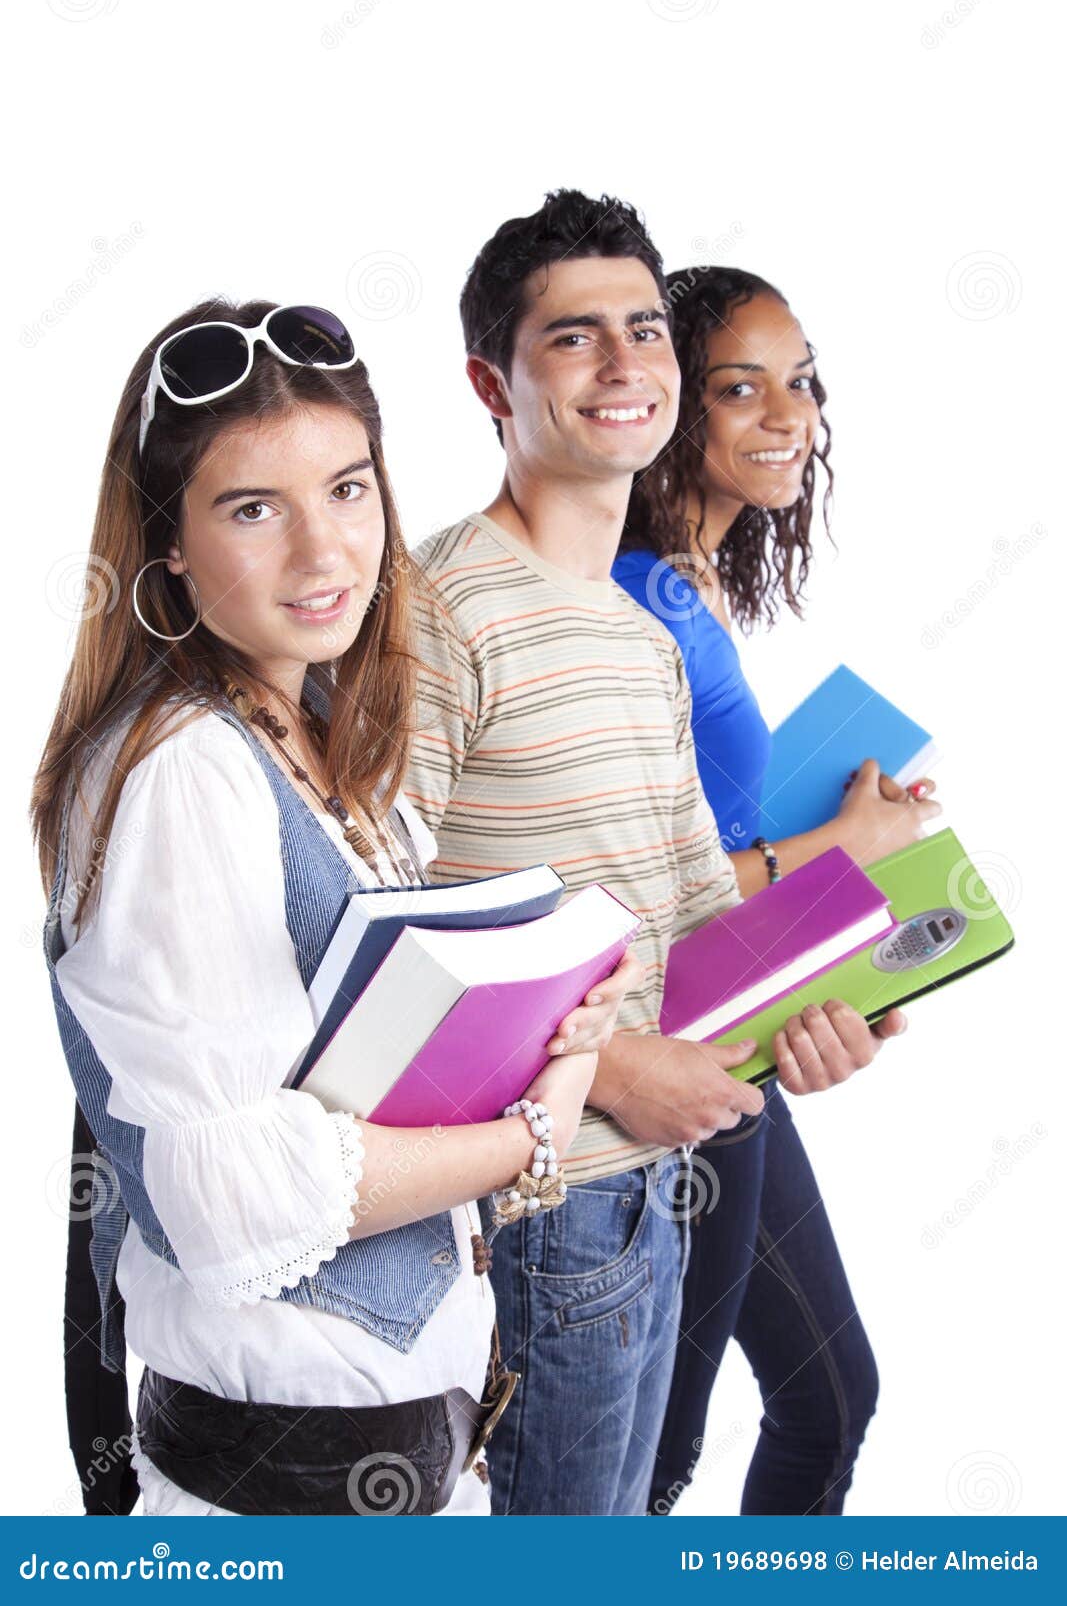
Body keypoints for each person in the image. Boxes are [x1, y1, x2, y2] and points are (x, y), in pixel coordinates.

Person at [31, 298, 637, 1517]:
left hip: (391, 1471)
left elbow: (334, 1069)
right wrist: (537, 1131)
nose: (324, 553)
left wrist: (543, 1018)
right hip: (285, 1494)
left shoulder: (305, 736)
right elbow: (227, 1197)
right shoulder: (185, 773)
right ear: (167, 550)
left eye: (348, 489)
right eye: (254, 509)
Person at [404, 193, 906, 1516]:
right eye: (574, 338)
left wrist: (822, 997)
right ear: (491, 383)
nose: (625, 363)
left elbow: (682, 920)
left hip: (654, 1173)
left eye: (642, 329)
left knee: (663, 1490)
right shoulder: (433, 612)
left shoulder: (634, 633)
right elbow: (372, 930)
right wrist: (617, 1060)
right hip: (547, 1191)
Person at [615, 266, 941, 1514]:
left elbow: (711, 832)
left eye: (798, 380)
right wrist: (839, 848)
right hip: (663, 1069)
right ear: (667, 410)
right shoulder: (637, 595)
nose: (785, 412)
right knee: (654, 1452)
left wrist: (847, 867)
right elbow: (644, 879)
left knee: (826, 1395)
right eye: (738, 386)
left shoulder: (689, 586)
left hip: (731, 1044)